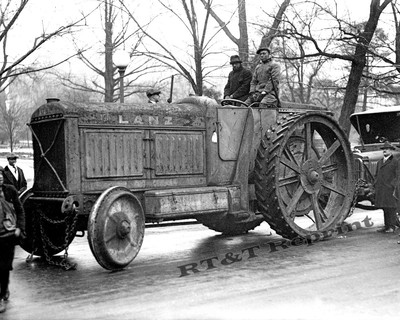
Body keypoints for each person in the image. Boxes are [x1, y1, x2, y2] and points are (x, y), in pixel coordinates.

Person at [0, 167, 25, 313]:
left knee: (5, 267)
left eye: (1, 175)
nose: (0, 177)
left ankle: (4, 290)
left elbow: (20, 210)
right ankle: (1, 296)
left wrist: (19, 228)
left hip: (8, 236)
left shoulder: (10, 191)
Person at [374, 141, 400, 233]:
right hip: (381, 189)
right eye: (383, 149)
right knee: (385, 208)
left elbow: (397, 176)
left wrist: (393, 186)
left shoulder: (395, 162)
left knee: (391, 208)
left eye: (387, 149)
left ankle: (392, 226)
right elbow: (376, 175)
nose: (384, 150)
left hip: (390, 189)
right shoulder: (380, 162)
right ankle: (386, 226)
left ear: (391, 151)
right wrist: (375, 184)